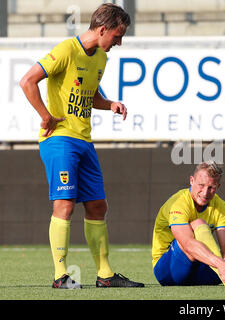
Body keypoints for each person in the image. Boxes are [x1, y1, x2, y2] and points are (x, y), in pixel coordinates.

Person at [20, 3, 143, 289]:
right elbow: (27, 81)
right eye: (117, 36)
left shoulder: (100, 58)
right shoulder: (66, 50)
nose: (119, 42)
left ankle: (106, 276)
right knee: (64, 205)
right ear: (102, 29)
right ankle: (60, 276)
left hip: (84, 141)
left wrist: (109, 103)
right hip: (60, 139)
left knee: (98, 206)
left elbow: (89, 95)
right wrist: (45, 116)